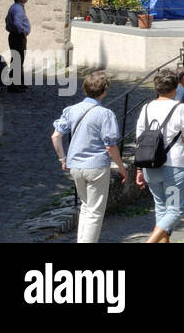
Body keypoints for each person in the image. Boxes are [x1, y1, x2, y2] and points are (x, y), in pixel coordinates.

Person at [50, 70, 127, 243]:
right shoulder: (105, 114)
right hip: (97, 166)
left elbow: (55, 136)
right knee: (95, 212)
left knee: (86, 207)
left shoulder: (71, 110)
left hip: (76, 166)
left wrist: (63, 159)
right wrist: (121, 166)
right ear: (105, 91)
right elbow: (110, 145)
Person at [134, 68, 184, 243]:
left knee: (161, 209)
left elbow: (140, 142)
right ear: (176, 87)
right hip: (174, 168)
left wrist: (138, 170)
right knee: (175, 210)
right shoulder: (180, 108)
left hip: (150, 167)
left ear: (156, 88)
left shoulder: (146, 108)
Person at [5, 0, 30, 91]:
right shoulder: (17, 8)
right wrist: (22, 31)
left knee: (19, 59)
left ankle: (19, 83)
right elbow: (17, 21)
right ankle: (13, 85)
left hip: (16, 35)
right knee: (17, 59)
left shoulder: (15, 7)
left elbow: (7, 20)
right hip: (17, 36)